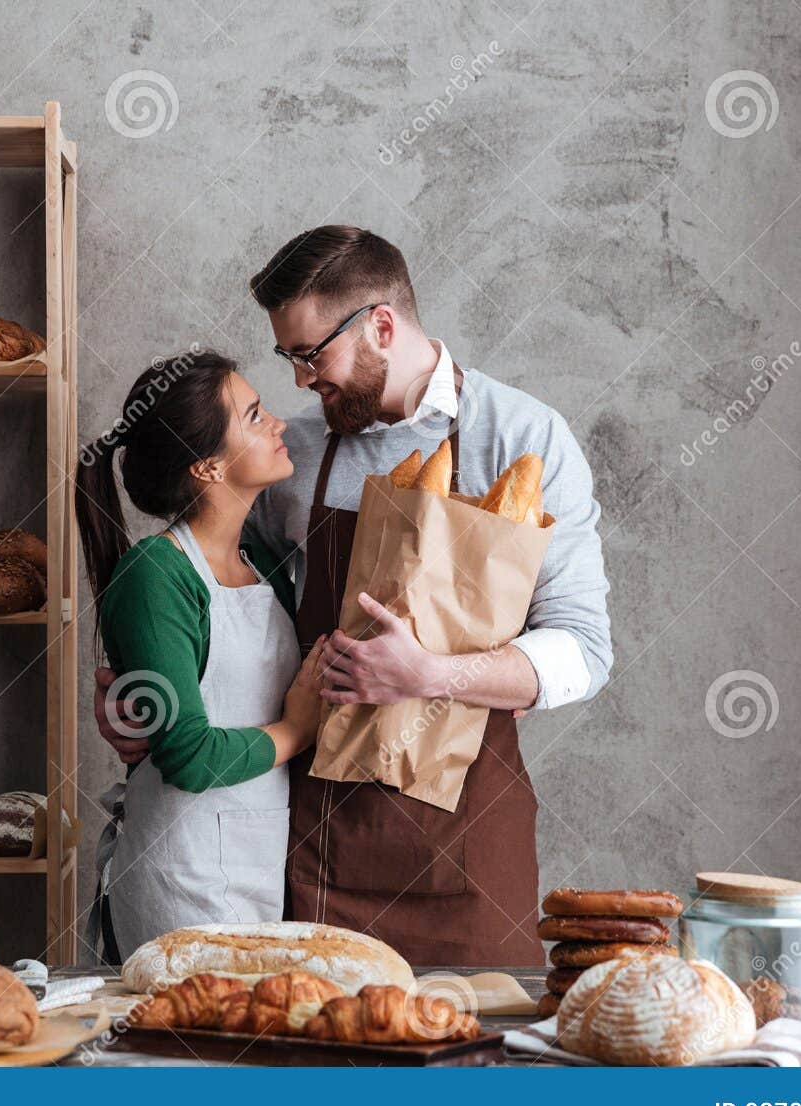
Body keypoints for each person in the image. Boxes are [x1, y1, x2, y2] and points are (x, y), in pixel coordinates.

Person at [95, 227, 613, 967]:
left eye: (312, 355)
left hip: (463, 844)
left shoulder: (523, 438)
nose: (301, 380)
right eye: (288, 357)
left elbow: (583, 650)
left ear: (381, 326)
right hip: (310, 844)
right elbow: (219, 608)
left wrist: (435, 675)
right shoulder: (297, 454)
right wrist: (142, 691)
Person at [75, 349, 327, 961]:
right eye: (255, 416)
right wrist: (297, 729)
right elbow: (188, 757)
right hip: (180, 877)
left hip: (258, 864)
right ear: (210, 467)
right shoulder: (155, 576)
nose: (279, 424)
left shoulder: (263, 564)